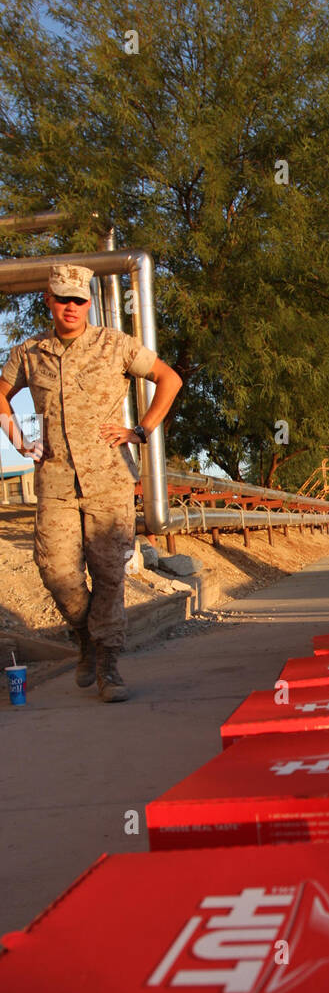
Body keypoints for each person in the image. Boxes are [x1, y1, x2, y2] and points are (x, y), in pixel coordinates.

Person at [0, 263, 183, 702]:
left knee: (108, 577)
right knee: (56, 571)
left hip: (108, 482)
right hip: (56, 482)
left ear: (88, 302)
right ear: (48, 300)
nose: (71, 307)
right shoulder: (29, 353)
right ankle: (84, 636)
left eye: (79, 300)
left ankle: (109, 666)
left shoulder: (114, 345)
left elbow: (168, 379)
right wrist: (22, 442)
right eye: (62, 298)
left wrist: (140, 431)